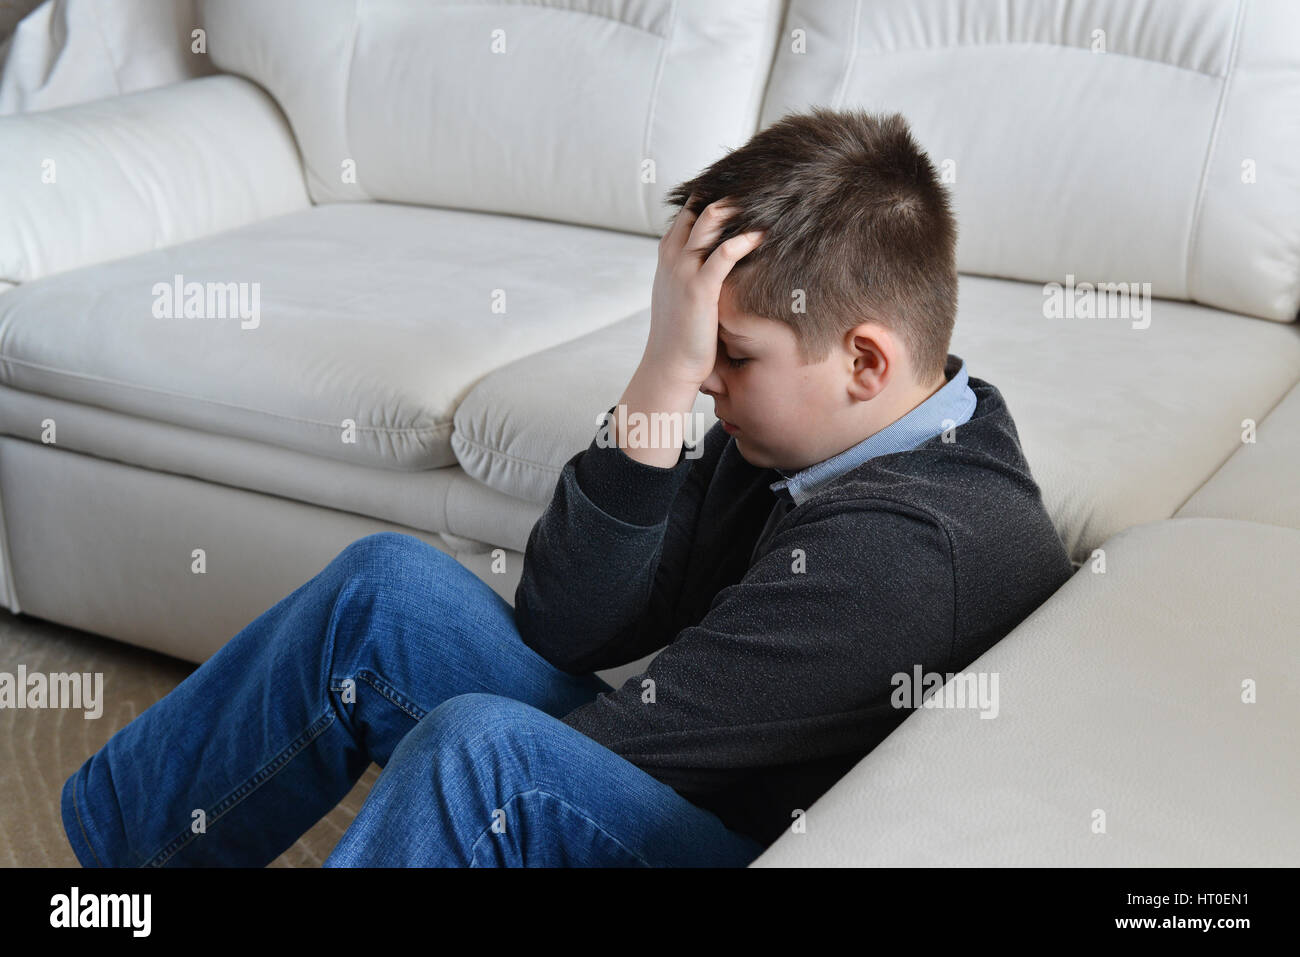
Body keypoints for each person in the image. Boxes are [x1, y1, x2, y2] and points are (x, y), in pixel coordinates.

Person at [61, 108, 1074, 867]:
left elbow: (619, 751)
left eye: (728, 355)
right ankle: (119, 875)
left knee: (481, 758)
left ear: (864, 361)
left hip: (765, 847)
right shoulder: (822, 435)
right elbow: (569, 626)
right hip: (703, 787)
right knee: (384, 593)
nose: (707, 380)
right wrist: (661, 376)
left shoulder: (907, 550)